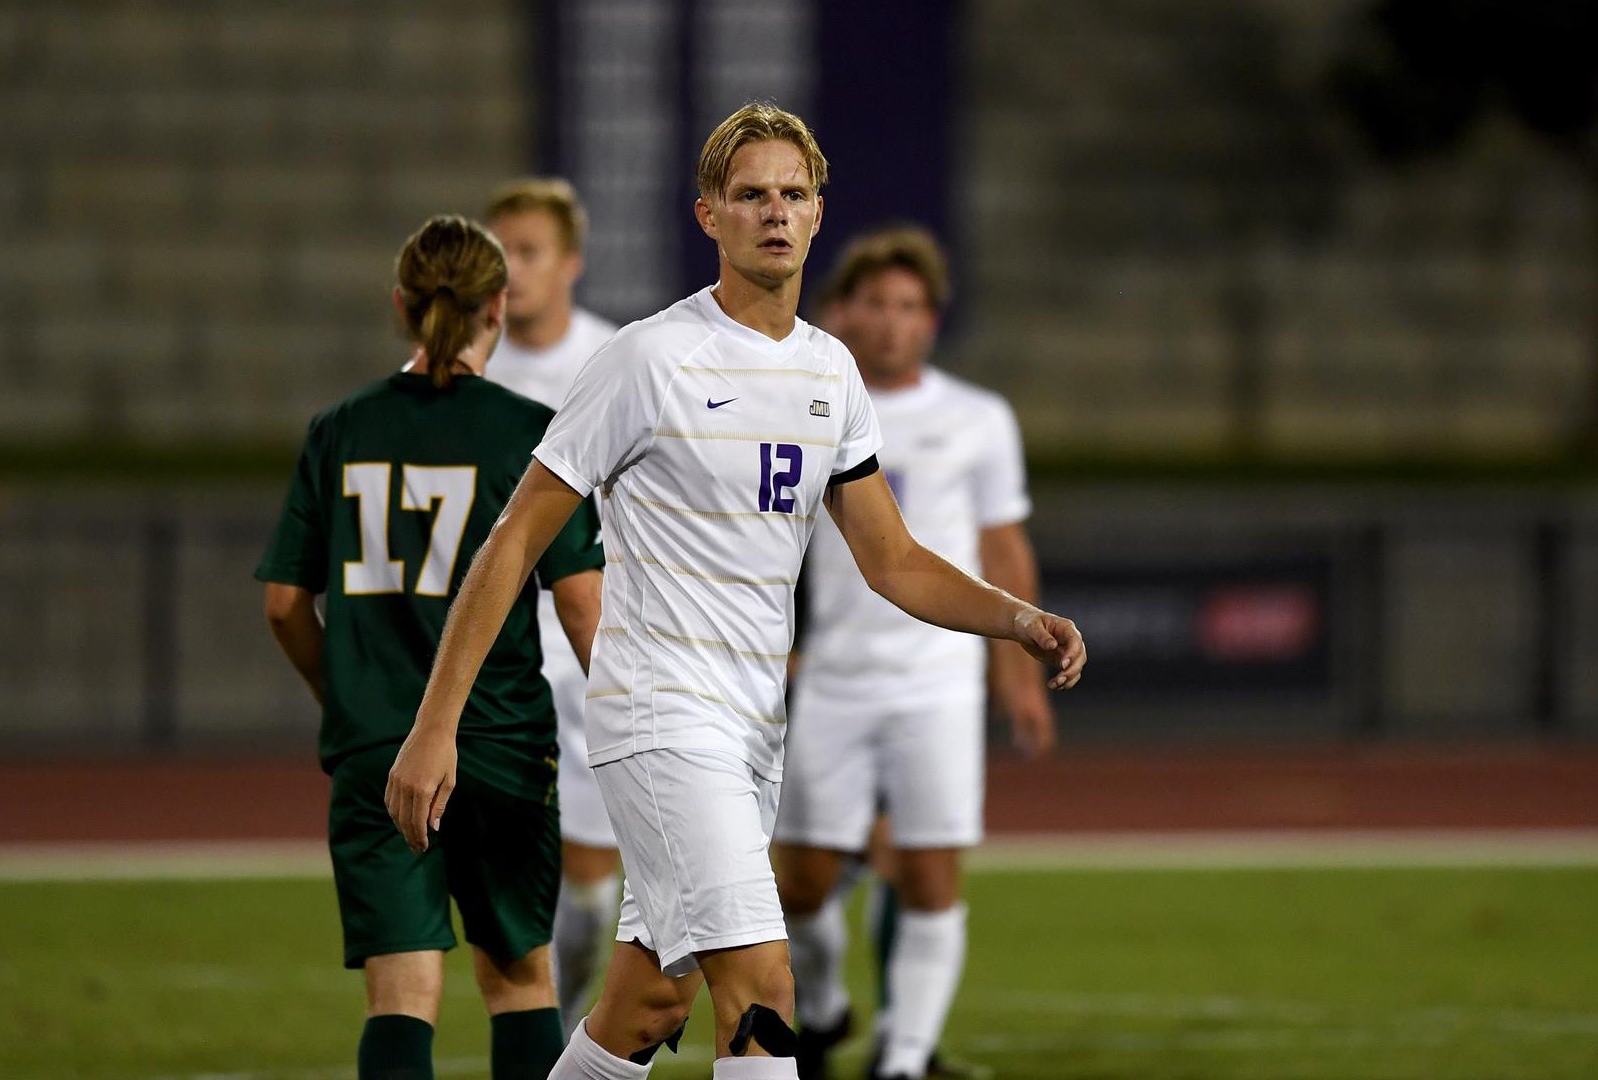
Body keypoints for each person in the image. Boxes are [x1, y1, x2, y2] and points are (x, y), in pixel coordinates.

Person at [382, 101, 1087, 1080]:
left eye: (793, 194)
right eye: (750, 193)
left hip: (755, 727)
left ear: (817, 212)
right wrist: (434, 725)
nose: (775, 211)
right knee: (764, 989)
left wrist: (1019, 620)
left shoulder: (829, 372)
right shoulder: (647, 358)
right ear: (707, 213)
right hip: (662, 718)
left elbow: (895, 560)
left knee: (648, 1000)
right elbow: (510, 543)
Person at [256, 215, 607, 1080]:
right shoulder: (531, 430)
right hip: (500, 741)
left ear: (400, 307)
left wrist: (340, 695)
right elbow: (582, 608)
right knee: (521, 979)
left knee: (401, 995)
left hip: (379, 747)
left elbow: (283, 604)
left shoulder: (339, 428)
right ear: (498, 305)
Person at [772, 226, 1054, 1080]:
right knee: (801, 887)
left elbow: (1002, 554)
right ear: (842, 311)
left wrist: (1020, 676)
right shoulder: (808, 404)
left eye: (909, 307)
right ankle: (821, 1009)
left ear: (932, 319)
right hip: (832, 683)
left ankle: (902, 1058)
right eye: (876, 305)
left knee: (932, 878)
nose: (892, 323)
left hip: (938, 687)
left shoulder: (978, 418)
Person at [484, 177, 625, 1026]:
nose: (511, 271)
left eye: (529, 252)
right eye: (499, 253)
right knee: (497, 870)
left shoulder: (616, 361)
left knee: (586, 869)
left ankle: (567, 1023)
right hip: (488, 646)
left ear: (570, 262)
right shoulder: (461, 359)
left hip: (585, 637)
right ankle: (533, 1033)